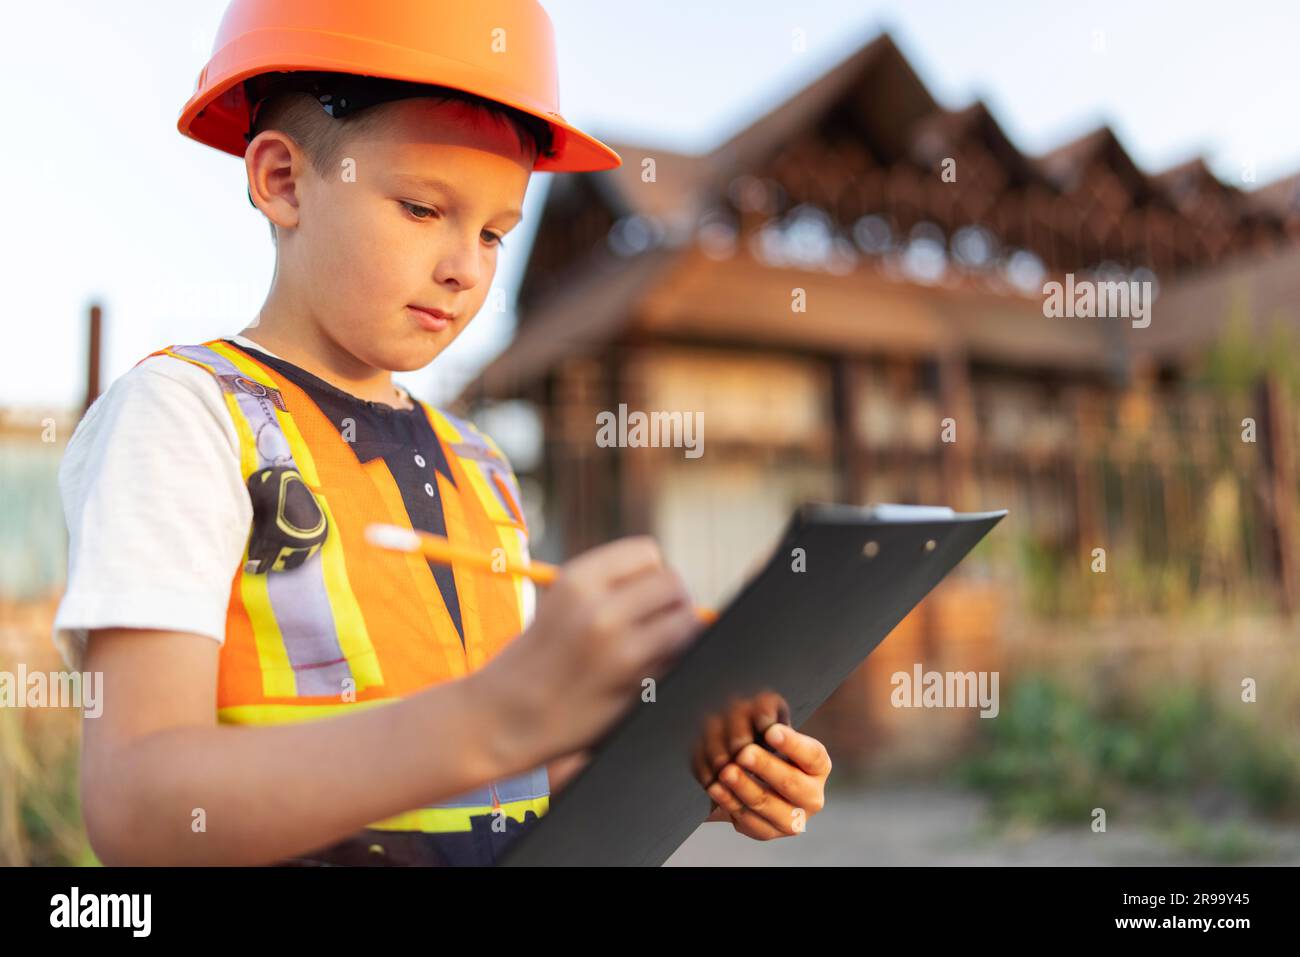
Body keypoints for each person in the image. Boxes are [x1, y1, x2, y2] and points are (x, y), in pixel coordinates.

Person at [53, 0, 831, 866]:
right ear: (281, 180)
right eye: (423, 208)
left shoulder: (480, 465)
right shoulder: (186, 418)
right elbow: (137, 803)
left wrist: (691, 765)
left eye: (496, 232)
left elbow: (519, 776)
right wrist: (493, 716)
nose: (466, 268)